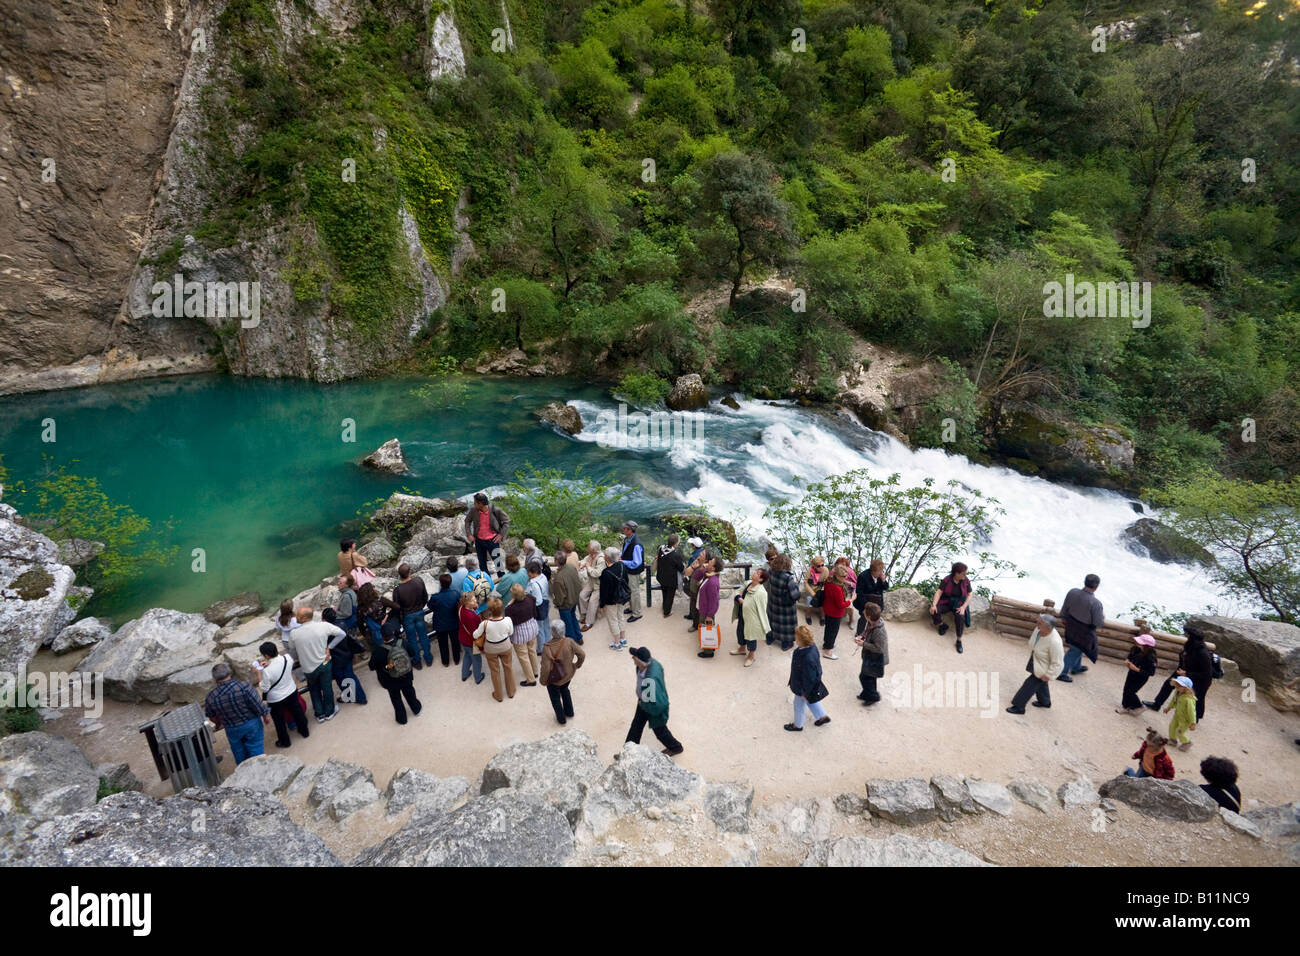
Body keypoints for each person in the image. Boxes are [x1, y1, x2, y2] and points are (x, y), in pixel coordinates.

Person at [203, 662, 270, 765]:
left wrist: (218, 724)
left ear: (214, 678)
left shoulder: (211, 697)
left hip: (231, 728)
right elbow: (258, 705)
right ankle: (260, 769)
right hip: (251, 723)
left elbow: (212, 717)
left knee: (239, 752)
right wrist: (265, 716)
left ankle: (243, 772)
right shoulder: (245, 687)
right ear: (230, 672)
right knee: (256, 748)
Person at [1146, 623, 1214, 722]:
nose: (1187, 638)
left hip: (1200, 680)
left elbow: (1206, 674)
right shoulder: (1189, 647)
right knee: (1168, 684)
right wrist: (1179, 673)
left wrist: (1186, 674)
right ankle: (1157, 704)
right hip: (1182, 672)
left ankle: (1195, 717)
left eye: (1189, 636)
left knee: (1197, 697)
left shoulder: (1202, 653)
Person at [626, 646, 684, 756]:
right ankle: (628, 752)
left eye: (634, 657)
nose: (632, 658)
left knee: (660, 731)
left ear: (639, 661)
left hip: (652, 707)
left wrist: (643, 704)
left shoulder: (649, 681)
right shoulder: (652, 663)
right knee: (636, 727)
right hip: (645, 701)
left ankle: (676, 747)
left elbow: (653, 703)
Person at [288, 607, 340, 722]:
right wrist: (329, 647)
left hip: (307, 667)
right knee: (327, 688)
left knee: (314, 689)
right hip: (324, 662)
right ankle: (329, 711)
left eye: (298, 616)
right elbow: (342, 634)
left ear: (305, 618)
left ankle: (319, 714)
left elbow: (291, 647)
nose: (296, 617)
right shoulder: (323, 626)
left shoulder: (294, 633)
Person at [1006, 613, 1064, 715]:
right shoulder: (1039, 629)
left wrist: (1049, 675)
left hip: (1044, 668)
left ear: (1048, 627)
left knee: (1029, 684)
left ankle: (1019, 707)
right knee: (1041, 683)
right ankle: (1045, 702)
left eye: (1040, 623)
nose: (1037, 624)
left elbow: (1058, 663)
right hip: (1037, 661)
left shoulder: (1055, 642)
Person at [255, 642, 309, 748]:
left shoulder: (267, 671)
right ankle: (304, 731)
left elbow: (264, 687)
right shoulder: (287, 658)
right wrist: (269, 663)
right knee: (297, 712)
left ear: (266, 655)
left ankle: (285, 741)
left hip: (276, 699)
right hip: (291, 690)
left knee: (279, 720)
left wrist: (258, 674)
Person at [369, 627, 422, 725]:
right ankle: (416, 709)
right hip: (406, 675)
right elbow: (413, 653)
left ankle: (402, 719)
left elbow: (372, 666)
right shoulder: (403, 643)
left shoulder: (378, 650)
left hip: (390, 680)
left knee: (396, 699)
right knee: (410, 693)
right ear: (393, 633)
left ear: (382, 636)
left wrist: (387, 666)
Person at [1057, 573, 1103, 681]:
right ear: (1096, 587)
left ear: (1084, 582)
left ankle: (1076, 667)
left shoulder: (1072, 592)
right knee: (1075, 650)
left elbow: (1064, 608)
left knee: (1077, 648)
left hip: (1070, 625)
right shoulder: (1096, 604)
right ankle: (1061, 672)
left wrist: (1063, 618)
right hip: (1084, 631)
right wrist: (1103, 616)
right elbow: (1098, 622)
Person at [539, 618, 585, 725]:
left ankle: (561, 719)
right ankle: (570, 712)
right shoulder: (569, 641)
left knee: (555, 699)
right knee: (565, 690)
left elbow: (545, 668)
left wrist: (543, 681)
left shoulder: (547, 648)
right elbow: (582, 654)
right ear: (564, 630)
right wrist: (576, 665)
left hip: (554, 680)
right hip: (568, 675)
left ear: (552, 632)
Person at [786, 625, 831, 731]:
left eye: (796, 637)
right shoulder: (811, 647)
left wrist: (805, 693)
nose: (795, 638)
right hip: (807, 686)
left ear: (801, 640)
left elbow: (809, 678)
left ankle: (798, 725)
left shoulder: (807, 659)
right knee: (811, 701)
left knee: (798, 705)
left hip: (803, 688)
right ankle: (822, 716)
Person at [474, 596, 517, 702]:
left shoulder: (485, 623)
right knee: (508, 668)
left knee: (495, 671)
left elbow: (475, 635)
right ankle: (511, 691)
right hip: (505, 646)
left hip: (491, 649)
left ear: (490, 610)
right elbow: (511, 632)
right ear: (501, 609)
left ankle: (498, 695)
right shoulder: (507, 620)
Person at [393, 563, 432, 669]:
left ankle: (417, 661)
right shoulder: (419, 581)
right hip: (419, 612)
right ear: (410, 572)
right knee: (423, 636)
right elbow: (425, 596)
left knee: (412, 639)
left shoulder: (398, 590)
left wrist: (400, 619)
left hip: (407, 616)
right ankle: (428, 658)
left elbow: (397, 607)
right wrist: (421, 606)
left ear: (400, 575)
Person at [463, 492, 510, 578]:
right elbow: (467, 521)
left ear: (480, 504)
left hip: (493, 541)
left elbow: (507, 522)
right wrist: (469, 534)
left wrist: (501, 535)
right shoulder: (474, 510)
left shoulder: (496, 510)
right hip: (479, 541)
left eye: (475, 502)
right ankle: (487, 582)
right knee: (482, 563)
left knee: (498, 562)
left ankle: (502, 580)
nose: (473, 504)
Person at [730, 567, 769, 667]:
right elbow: (738, 591)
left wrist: (744, 602)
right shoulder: (748, 583)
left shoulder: (761, 593)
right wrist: (739, 598)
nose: (754, 573)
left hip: (752, 619)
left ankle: (751, 656)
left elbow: (761, 609)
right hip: (742, 614)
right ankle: (742, 649)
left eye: (757, 573)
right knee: (740, 631)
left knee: (751, 637)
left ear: (760, 579)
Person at [325, 612, 368, 705]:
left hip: (337, 659)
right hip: (347, 655)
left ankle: (348, 697)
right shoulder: (342, 624)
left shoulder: (328, 631)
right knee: (351, 676)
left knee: (340, 678)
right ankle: (361, 698)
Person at [930, 562, 973, 653]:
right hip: (946, 601)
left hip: (959, 603)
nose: (965, 575)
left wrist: (963, 607)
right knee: (935, 610)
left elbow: (970, 594)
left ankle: (959, 640)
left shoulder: (965, 580)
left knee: (960, 617)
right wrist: (934, 605)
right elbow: (939, 592)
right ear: (956, 573)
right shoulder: (947, 580)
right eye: (963, 573)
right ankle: (943, 626)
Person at [504, 582, 539, 686]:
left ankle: (531, 679)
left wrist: (509, 604)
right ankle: (535, 671)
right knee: (532, 650)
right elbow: (534, 612)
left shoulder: (510, 608)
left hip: (520, 633)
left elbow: (511, 623)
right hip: (532, 627)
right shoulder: (531, 598)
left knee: (523, 656)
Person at [854, 602, 888, 705]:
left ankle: (873, 697)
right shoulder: (872, 622)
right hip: (870, 656)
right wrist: (862, 636)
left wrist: (863, 644)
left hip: (876, 658)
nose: (863, 612)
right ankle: (866, 694)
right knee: (869, 677)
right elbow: (867, 631)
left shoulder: (879, 631)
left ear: (868, 616)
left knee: (865, 677)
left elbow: (879, 648)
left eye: (864, 612)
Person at [426, 574, 463, 667]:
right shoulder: (455, 594)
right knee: (455, 642)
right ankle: (456, 659)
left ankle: (445, 662)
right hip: (453, 622)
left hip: (440, 624)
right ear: (450, 583)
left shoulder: (435, 597)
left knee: (443, 644)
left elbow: (430, 606)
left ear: (441, 584)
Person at [1117, 634, 1158, 715]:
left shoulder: (1151, 658)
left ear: (1147, 646)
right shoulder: (1136, 649)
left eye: (1141, 643)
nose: (1137, 643)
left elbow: (1151, 673)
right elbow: (1130, 656)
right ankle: (1125, 706)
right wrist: (1128, 660)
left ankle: (1139, 706)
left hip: (1140, 678)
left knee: (1131, 692)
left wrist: (1137, 669)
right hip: (1131, 673)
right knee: (1126, 689)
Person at [550, 544, 584, 643]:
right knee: (574, 619)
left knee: (568, 624)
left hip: (565, 605)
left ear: (556, 561)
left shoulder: (558, 578)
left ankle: (572, 643)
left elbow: (560, 598)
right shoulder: (571, 567)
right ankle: (579, 637)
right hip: (574, 599)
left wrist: (556, 604)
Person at [768, 553, 800, 652]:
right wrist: (795, 583)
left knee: (773, 621)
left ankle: (771, 638)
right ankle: (785, 644)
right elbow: (795, 595)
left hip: (774, 602)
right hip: (786, 607)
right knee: (786, 625)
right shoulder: (788, 577)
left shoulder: (771, 571)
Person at [599, 546, 630, 650]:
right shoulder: (622, 566)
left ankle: (617, 644)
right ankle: (623, 639)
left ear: (607, 558)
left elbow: (604, 592)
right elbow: (626, 581)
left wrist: (601, 605)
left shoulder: (606, 573)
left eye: (604, 555)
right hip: (621, 597)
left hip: (611, 601)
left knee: (613, 620)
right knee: (621, 616)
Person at [357, 581, 398, 651]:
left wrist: (366, 634)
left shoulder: (360, 609)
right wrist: (387, 616)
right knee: (394, 649)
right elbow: (397, 607)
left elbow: (360, 625)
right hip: (387, 629)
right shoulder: (380, 600)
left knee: (380, 652)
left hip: (373, 634)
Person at [820, 563, 850, 660]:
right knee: (833, 631)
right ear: (838, 576)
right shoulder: (837, 588)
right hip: (835, 613)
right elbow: (841, 605)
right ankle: (827, 651)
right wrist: (851, 600)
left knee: (828, 629)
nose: (846, 577)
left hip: (828, 609)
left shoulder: (829, 582)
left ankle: (826, 644)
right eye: (844, 576)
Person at [695, 556, 722, 659]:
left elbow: (714, 601)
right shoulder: (709, 574)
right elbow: (696, 577)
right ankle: (711, 647)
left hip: (706, 611)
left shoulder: (712, 581)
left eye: (711, 562)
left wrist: (709, 615)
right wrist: (702, 568)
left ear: (714, 568)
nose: (709, 561)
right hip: (705, 608)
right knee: (708, 629)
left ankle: (708, 652)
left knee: (707, 629)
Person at [620, 521, 646, 622]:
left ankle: (637, 613)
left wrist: (623, 561)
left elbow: (636, 563)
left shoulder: (636, 544)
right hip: (629, 570)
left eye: (625, 529)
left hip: (633, 571)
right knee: (630, 590)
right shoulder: (628, 539)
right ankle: (632, 608)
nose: (623, 530)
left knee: (634, 592)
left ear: (630, 530)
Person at [854, 559, 888, 636]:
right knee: (864, 618)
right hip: (865, 602)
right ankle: (859, 634)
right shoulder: (863, 576)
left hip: (877, 602)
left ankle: (869, 634)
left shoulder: (880, 576)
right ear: (873, 571)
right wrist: (866, 605)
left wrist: (883, 581)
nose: (881, 573)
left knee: (874, 619)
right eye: (880, 571)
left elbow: (886, 588)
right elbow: (859, 593)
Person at [1164, 676, 1198, 751]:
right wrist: (1169, 708)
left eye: (1179, 686)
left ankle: (1187, 742)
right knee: (1172, 726)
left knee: (1179, 731)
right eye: (1177, 685)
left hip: (1185, 720)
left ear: (1186, 688)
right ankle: (1173, 740)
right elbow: (1173, 701)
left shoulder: (1189, 699)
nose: (1177, 687)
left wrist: (1193, 723)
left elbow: (1192, 712)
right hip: (1177, 715)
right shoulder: (1177, 693)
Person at [655, 534, 686, 617]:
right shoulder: (676, 555)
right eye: (678, 542)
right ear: (675, 543)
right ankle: (667, 612)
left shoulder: (661, 548)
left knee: (664, 592)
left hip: (661, 576)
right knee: (670, 596)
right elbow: (681, 568)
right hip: (671, 579)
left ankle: (664, 606)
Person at [458, 591, 485, 684]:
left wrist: (474, 607)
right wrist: (481, 647)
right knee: (477, 659)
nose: (475, 601)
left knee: (467, 656)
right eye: (472, 600)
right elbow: (475, 634)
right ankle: (478, 677)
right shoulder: (472, 617)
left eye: (474, 598)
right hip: (471, 642)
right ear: (467, 603)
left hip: (463, 638)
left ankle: (464, 674)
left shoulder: (461, 608)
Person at [578, 540, 606, 631]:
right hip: (591, 582)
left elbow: (596, 573)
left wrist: (587, 567)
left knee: (592, 602)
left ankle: (589, 622)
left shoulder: (601, 559)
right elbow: (584, 560)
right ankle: (586, 614)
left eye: (588, 547)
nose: (587, 548)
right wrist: (582, 564)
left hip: (599, 584)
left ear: (593, 550)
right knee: (582, 595)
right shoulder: (590, 556)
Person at [526, 560, 550, 653]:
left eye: (528, 572)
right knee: (546, 625)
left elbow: (538, 601)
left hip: (540, 607)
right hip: (546, 602)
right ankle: (548, 643)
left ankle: (541, 649)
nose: (527, 574)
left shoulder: (534, 584)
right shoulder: (543, 576)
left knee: (539, 629)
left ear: (533, 573)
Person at [801, 556, 828, 627]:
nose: (821, 567)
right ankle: (808, 615)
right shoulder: (810, 570)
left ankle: (822, 616)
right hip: (811, 589)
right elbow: (805, 582)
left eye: (822, 565)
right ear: (814, 566)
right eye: (818, 566)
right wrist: (812, 593)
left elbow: (826, 583)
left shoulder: (825, 570)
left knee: (823, 602)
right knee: (809, 601)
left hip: (820, 589)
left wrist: (821, 591)